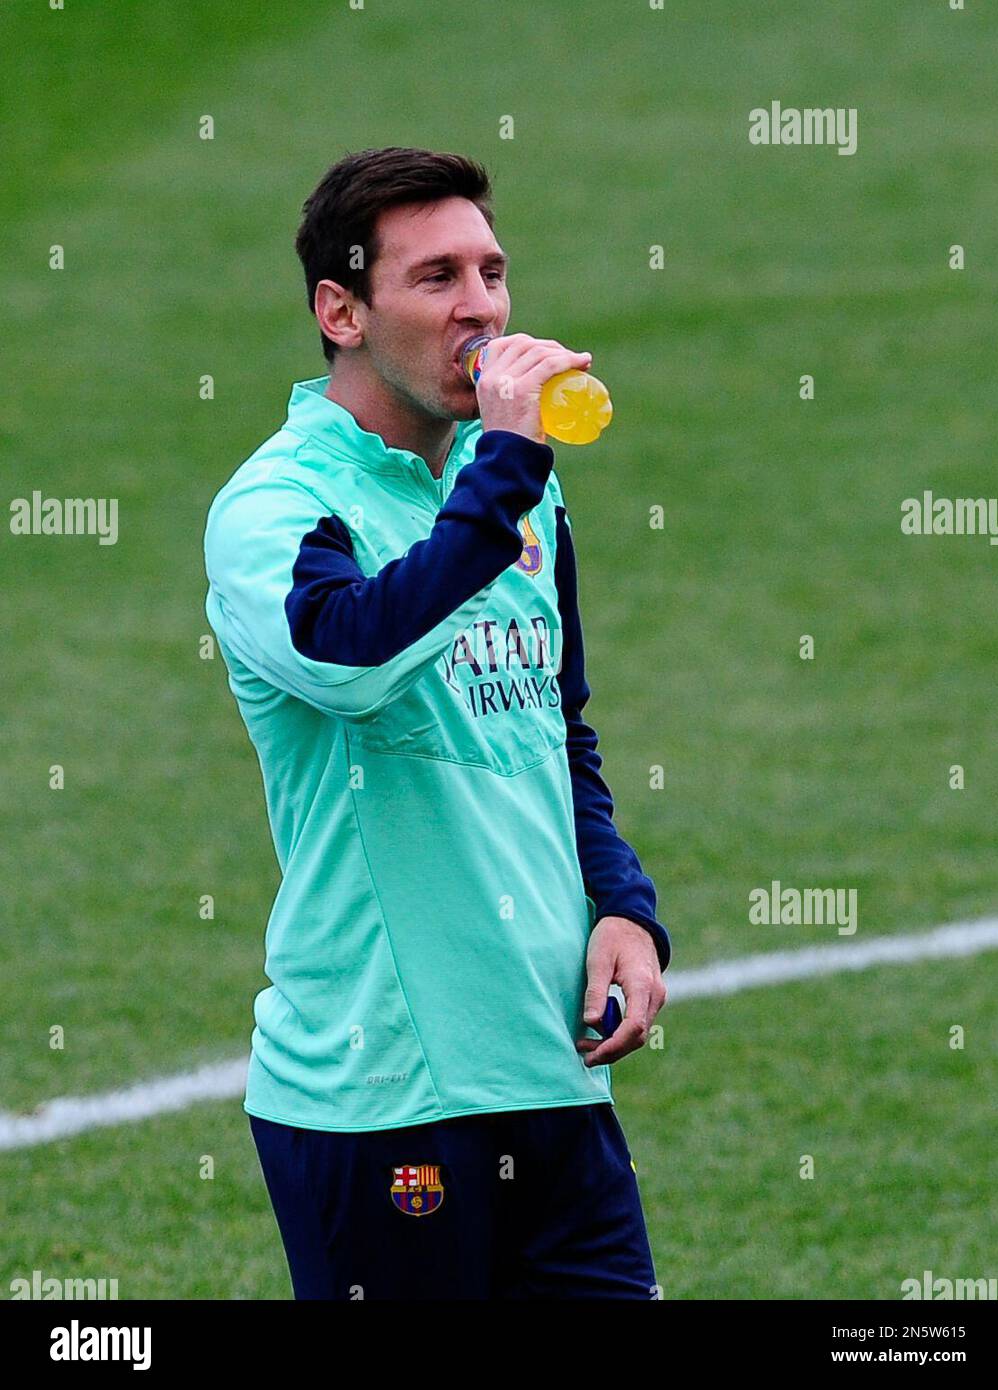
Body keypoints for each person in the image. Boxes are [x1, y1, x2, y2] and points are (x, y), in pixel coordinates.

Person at [203, 146, 670, 1300]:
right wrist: (504, 467)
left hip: (549, 1070)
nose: (482, 308)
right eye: (437, 277)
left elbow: (554, 723)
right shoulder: (276, 507)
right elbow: (347, 654)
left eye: (492, 270)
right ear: (341, 309)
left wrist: (619, 900)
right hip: (381, 1096)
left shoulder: (517, 489)